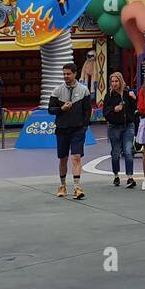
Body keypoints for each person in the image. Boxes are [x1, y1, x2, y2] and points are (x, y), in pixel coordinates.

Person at [48, 62, 92, 199]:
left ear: (75, 74)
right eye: (64, 74)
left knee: (76, 157)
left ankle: (77, 187)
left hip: (78, 129)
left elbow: (87, 110)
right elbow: (50, 110)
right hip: (61, 129)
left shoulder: (84, 90)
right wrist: (62, 109)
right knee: (63, 158)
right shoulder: (57, 91)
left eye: (68, 74)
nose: (66, 76)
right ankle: (62, 185)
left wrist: (84, 126)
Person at [103, 71, 138, 188]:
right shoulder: (108, 96)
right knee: (115, 153)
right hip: (114, 127)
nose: (114, 84)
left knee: (128, 151)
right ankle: (116, 175)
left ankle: (130, 177)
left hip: (128, 126)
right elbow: (105, 113)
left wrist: (134, 99)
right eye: (112, 81)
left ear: (121, 81)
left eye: (116, 81)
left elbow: (135, 109)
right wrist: (114, 109)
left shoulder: (128, 93)